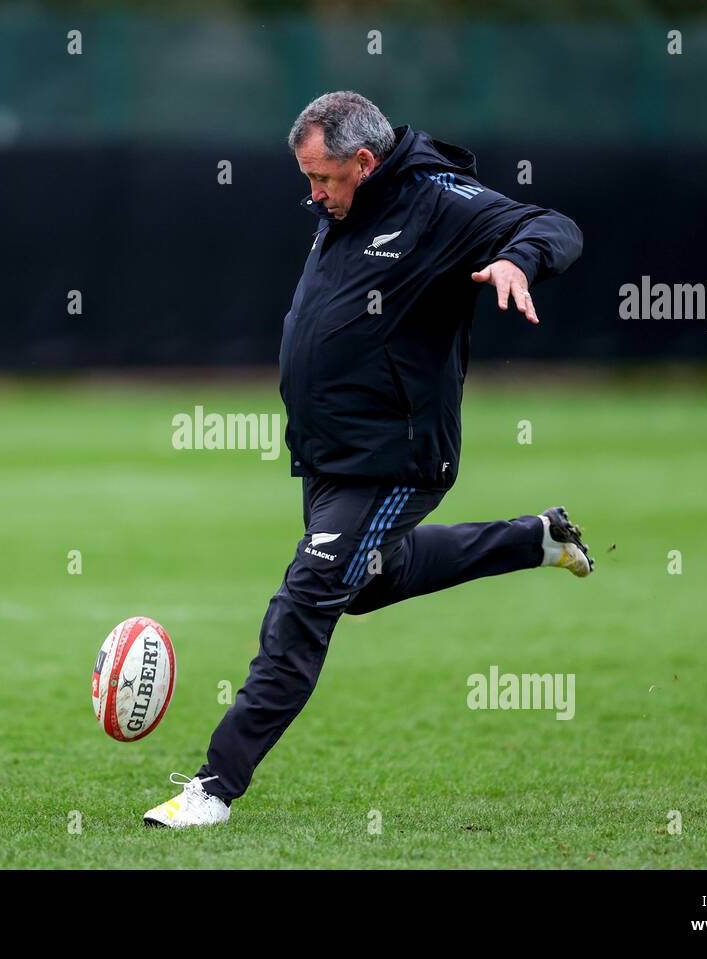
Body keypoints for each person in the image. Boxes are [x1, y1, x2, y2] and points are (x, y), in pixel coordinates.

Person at [144, 91, 590, 828]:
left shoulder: (437, 199)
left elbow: (553, 226)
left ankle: (212, 787)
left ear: (365, 160)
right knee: (362, 582)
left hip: (398, 455)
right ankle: (534, 537)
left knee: (307, 596)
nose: (312, 195)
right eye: (306, 179)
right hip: (330, 455)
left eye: (323, 179)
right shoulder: (342, 206)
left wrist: (517, 259)